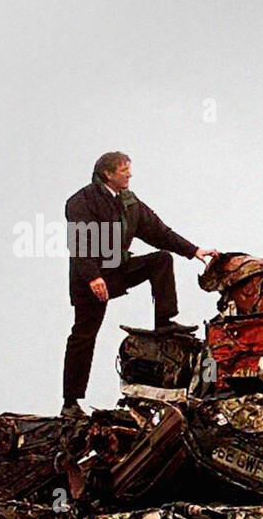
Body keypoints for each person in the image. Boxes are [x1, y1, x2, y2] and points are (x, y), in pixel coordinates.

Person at [62, 151, 218, 417]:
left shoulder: (129, 202)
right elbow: (79, 244)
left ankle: (164, 322)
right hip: (90, 278)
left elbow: (158, 232)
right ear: (108, 174)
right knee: (84, 336)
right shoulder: (81, 201)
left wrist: (193, 250)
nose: (130, 174)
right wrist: (92, 277)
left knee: (161, 260)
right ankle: (70, 402)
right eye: (124, 170)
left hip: (117, 269)